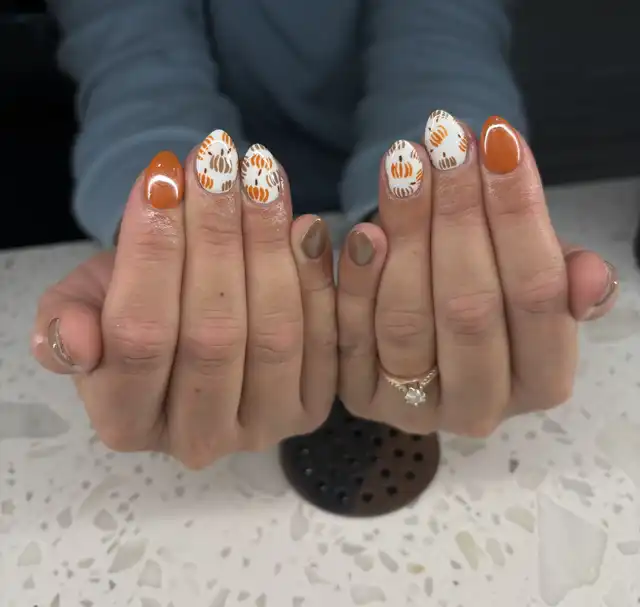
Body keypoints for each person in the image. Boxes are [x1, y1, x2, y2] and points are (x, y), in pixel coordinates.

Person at [32, 0, 618, 469]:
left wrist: (431, 218)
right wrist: (165, 240)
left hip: (382, 208)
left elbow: (444, 38)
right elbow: (133, 56)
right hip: (211, 209)